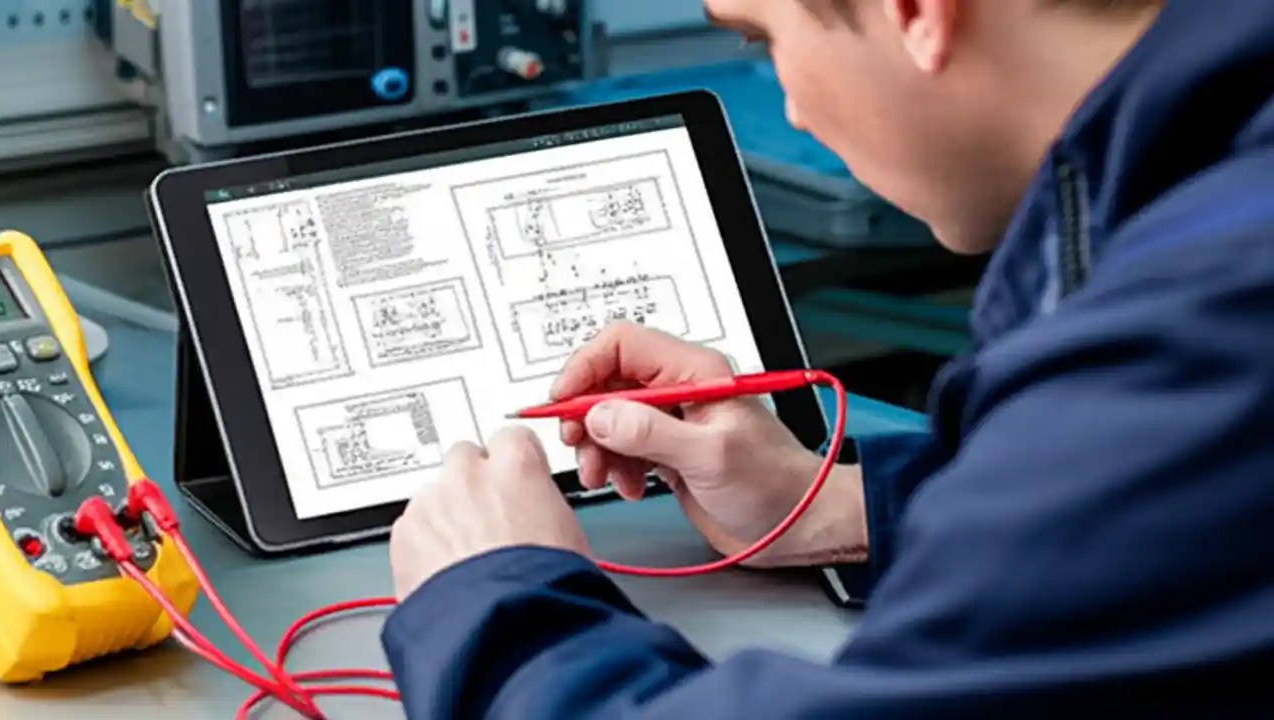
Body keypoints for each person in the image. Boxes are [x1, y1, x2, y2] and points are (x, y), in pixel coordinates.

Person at [382, 0, 1274, 716]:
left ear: (915, 11)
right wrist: (832, 508)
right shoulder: (1215, 190)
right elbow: (1166, 523)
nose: (793, 111)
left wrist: (495, 601)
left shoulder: (1208, 323)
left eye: (765, 39)